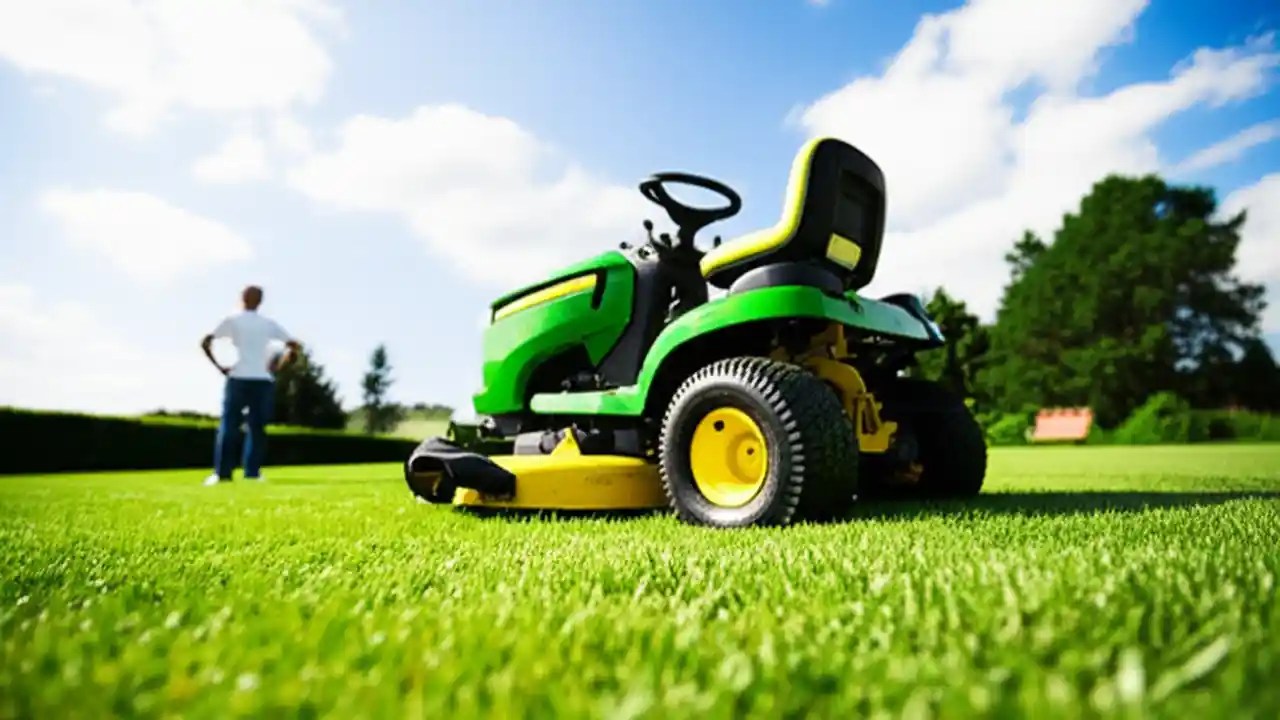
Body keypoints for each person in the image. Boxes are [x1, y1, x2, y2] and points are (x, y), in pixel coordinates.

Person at [199, 285, 302, 486]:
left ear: (242, 298)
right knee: (257, 428)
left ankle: (222, 474)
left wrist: (219, 366)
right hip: (262, 380)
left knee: (229, 426)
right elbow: (294, 347)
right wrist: (278, 367)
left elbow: (205, 341)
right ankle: (252, 473)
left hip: (238, 377)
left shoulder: (232, 320)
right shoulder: (268, 324)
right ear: (260, 301)